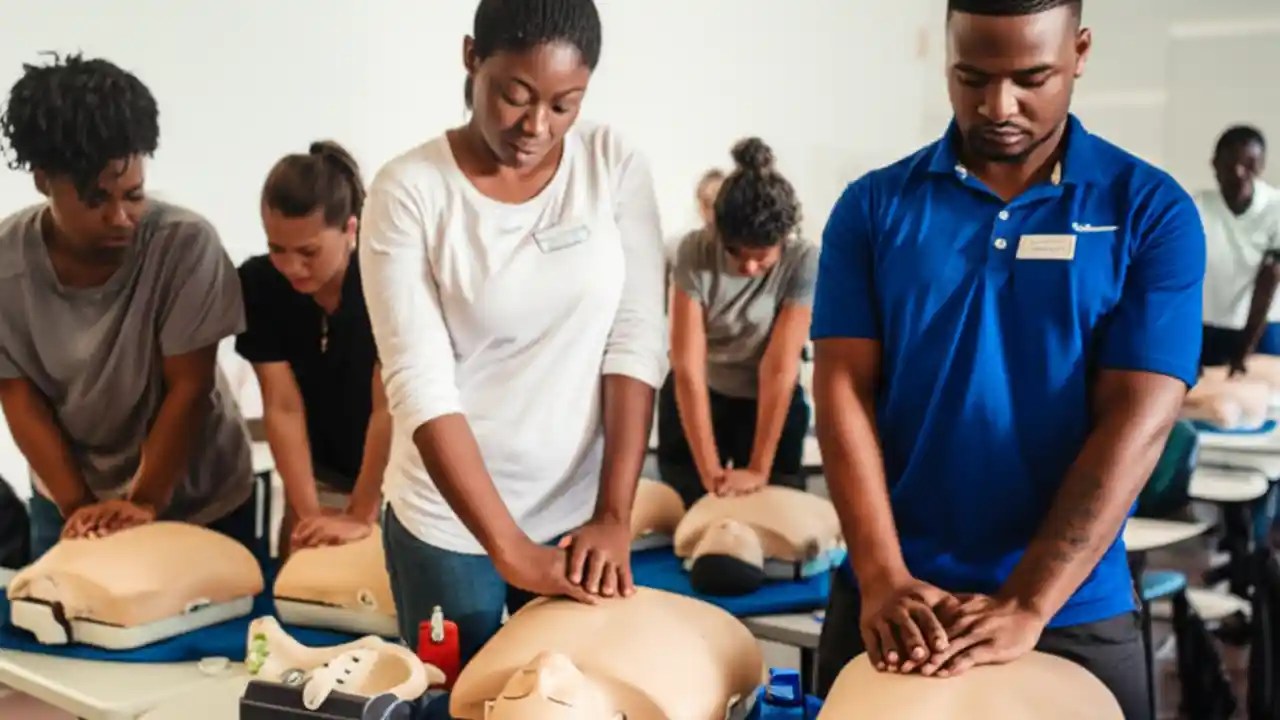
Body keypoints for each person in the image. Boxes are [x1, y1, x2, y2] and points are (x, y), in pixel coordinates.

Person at [809, 2, 1204, 719]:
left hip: (1072, 604)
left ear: (1080, 52)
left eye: (1031, 78)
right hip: (896, 598)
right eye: (972, 78)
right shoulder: (873, 207)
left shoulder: (1150, 211)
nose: (998, 106)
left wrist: (1029, 600)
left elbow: (1138, 420)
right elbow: (842, 390)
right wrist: (882, 575)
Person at [359, 0, 665, 665]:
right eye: (516, 97)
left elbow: (636, 337)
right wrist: (509, 549)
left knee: (567, 698)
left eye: (564, 105)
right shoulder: (409, 190)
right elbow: (418, 382)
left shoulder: (612, 163)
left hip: (578, 516)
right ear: (472, 58)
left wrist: (614, 514)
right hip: (448, 525)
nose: (536, 127)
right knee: (457, 699)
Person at [0, 54, 254, 560]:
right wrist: (78, 508)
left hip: (197, 497)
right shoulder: (8, 266)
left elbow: (189, 388)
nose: (120, 217)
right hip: (67, 494)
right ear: (44, 180)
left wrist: (144, 502)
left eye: (133, 194)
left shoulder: (185, 246)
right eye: (96, 200)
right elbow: (19, 398)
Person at [236, 141, 390, 555]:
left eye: (308, 252)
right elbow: (282, 406)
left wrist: (361, 514)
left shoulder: (384, 281)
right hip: (318, 474)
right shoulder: (261, 285)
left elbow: (387, 409)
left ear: (351, 230)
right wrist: (307, 517)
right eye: (277, 249)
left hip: (397, 479)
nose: (291, 267)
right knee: (302, 567)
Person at [659, 137, 817, 508]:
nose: (747, 267)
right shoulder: (694, 249)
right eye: (734, 252)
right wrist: (709, 471)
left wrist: (759, 468)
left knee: (770, 510)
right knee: (688, 509)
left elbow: (779, 368)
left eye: (761, 257)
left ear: (783, 240)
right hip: (702, 396)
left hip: (768, 402)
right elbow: (688, 366)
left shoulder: (804, 260)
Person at [1197, 125, 1280, 373]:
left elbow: (1270, 278)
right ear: (1215, 164)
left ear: (1261, 166)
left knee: (1266, 392)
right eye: (1229, 163)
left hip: (1265, 327)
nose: (1239, 172)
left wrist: (1245, 348)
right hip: (1210, 324)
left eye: (1249, 164)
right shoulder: (1198, 206)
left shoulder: (1275, 208)